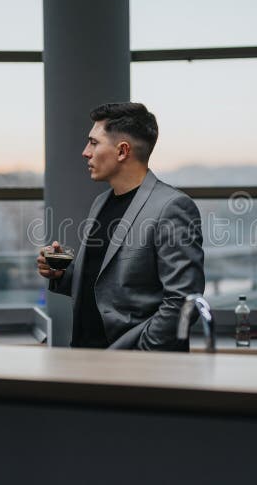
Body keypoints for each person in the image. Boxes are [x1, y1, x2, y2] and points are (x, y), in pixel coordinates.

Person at [37, 102, 205, 351]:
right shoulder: (101, 202)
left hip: (136, 365)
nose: (85, 152)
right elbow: (106, 285)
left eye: (93, 143)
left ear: (122, 151)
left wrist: (138, 355)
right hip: (86, 357)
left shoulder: (172, 207)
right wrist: (62, 274)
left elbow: (183, 303)